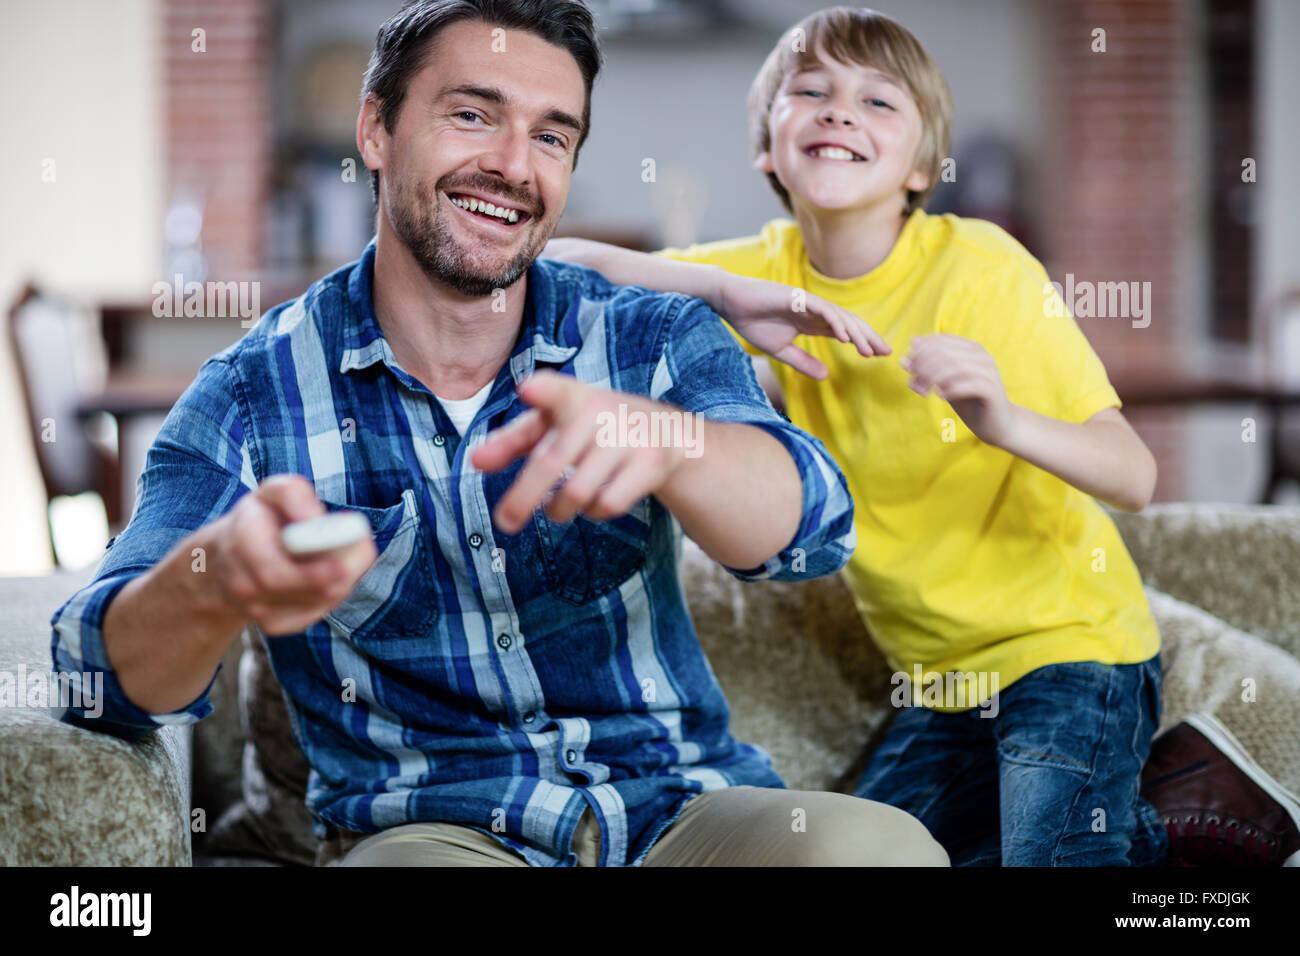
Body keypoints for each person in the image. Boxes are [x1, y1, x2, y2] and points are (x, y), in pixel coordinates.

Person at [49, 0, 949, 868]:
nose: (516, 166)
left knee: (886, 851)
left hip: (680, 813)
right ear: (376, 129)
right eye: (473, 115)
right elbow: (97, 680)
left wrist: (671, 441)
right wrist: (213, 585)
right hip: (434, 832)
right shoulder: (250, 394)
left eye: (552, 136)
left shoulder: (649, 336)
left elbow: (812, 527)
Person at [546, 6, 1189, 866]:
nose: (841, 111)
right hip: (939, 685)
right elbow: (552, 267)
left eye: (878, 102)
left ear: (923, 164)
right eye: (811, 91)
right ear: (766, 146)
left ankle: (1174, 838)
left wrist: (1001, 420)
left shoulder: (982, 267)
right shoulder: (764, 274)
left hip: (1071, 653)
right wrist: (717, 292)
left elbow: (1134, 475)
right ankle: (1140, 827)